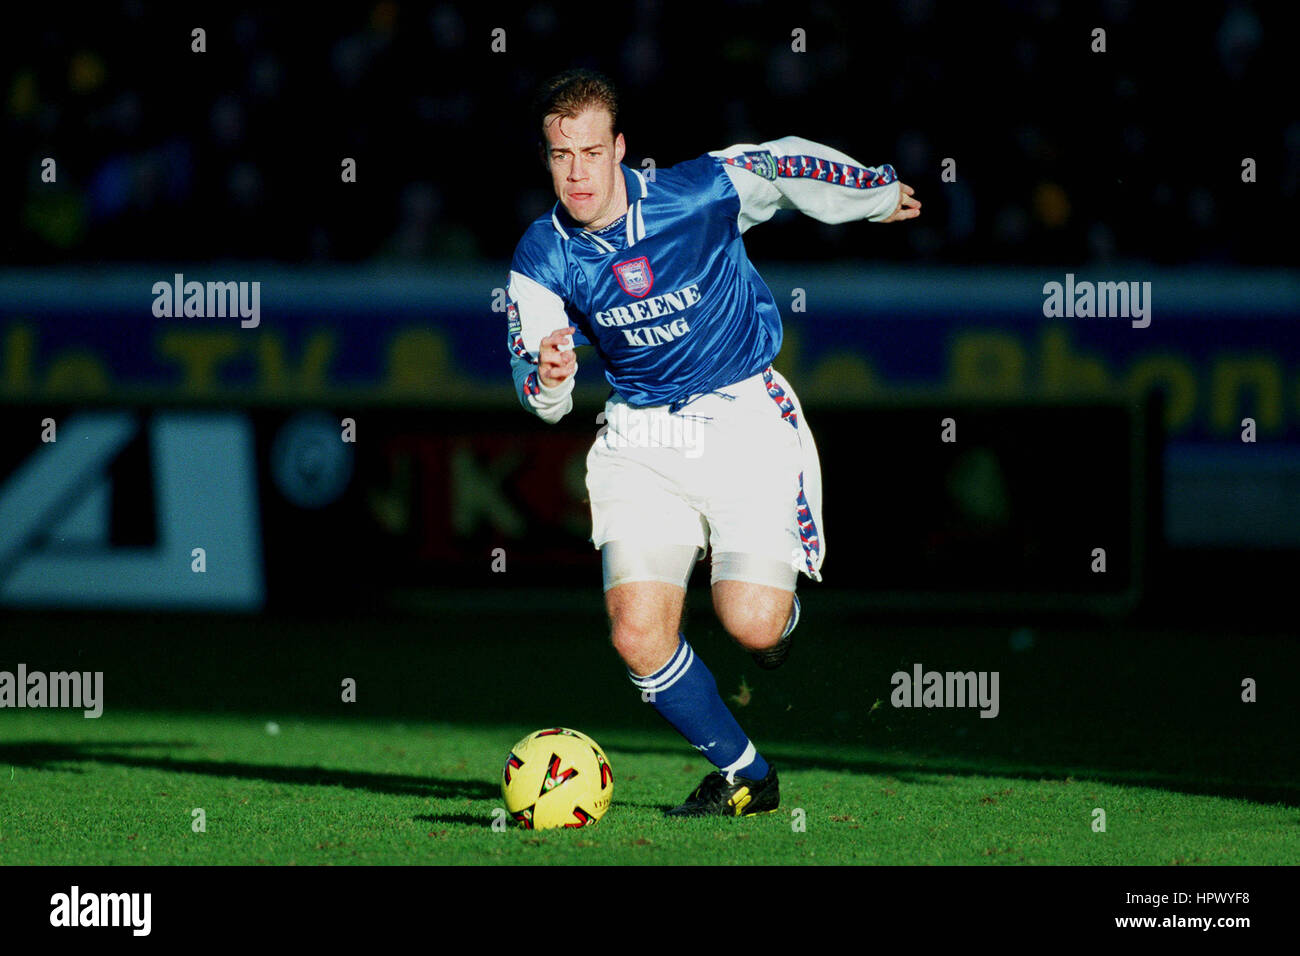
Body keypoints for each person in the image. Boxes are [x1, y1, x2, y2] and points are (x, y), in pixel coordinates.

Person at [505, 69, 920, 817]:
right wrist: (550, 375)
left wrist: (874, 193)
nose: (578, 172)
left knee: (751, 624)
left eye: (592, 152)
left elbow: (784, 162)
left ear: (620, 148)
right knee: (637, 634)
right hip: (638, 435)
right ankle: (747, 775)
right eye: (561, 155)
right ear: (547, 158)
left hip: (742, 417)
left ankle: (776, 630)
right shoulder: (541, 254)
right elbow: (538, 390)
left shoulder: (696, 193)